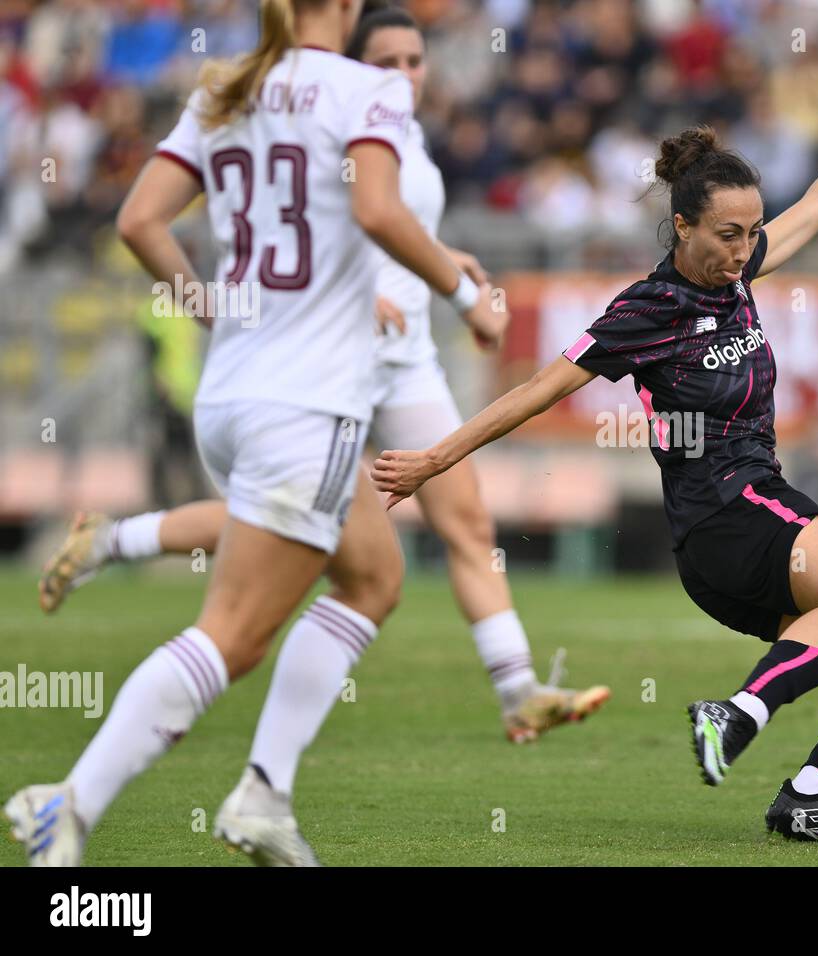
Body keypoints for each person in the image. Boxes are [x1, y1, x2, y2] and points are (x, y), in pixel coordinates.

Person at [372, 70, 818, 845]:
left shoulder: (740, 274)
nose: (744, 249)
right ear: (682, 226)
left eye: (753, 233)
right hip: (727, 512)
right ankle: (739, 711)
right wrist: (432, 460)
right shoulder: (644, 312)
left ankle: (810, 793)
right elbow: (536, 391)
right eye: (728, 234)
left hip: (742, 531)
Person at [6, 0, 505, 867]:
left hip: (232, 391)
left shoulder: (224, 88)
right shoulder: (366, 90)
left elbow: (137, 222)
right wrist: (468, 300)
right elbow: (382, 215)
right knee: (232, 635)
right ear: (344, 11)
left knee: (373, 576)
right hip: (306, 401)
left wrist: (203, 305)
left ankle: (264, 793)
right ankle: (72, 801)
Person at [36, 4, 609, 744]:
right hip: (328, 353)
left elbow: (401, 227)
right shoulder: (335, 108)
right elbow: (333, 219)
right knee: (295, 532)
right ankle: (118, 551)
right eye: (387, 61)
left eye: (413, 60)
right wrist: (366, 292)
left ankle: (517, 688)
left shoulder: (406, 133)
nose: (403, 74)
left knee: (462, 520)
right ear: (345, 50)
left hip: (401, 359)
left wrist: (454, 274)